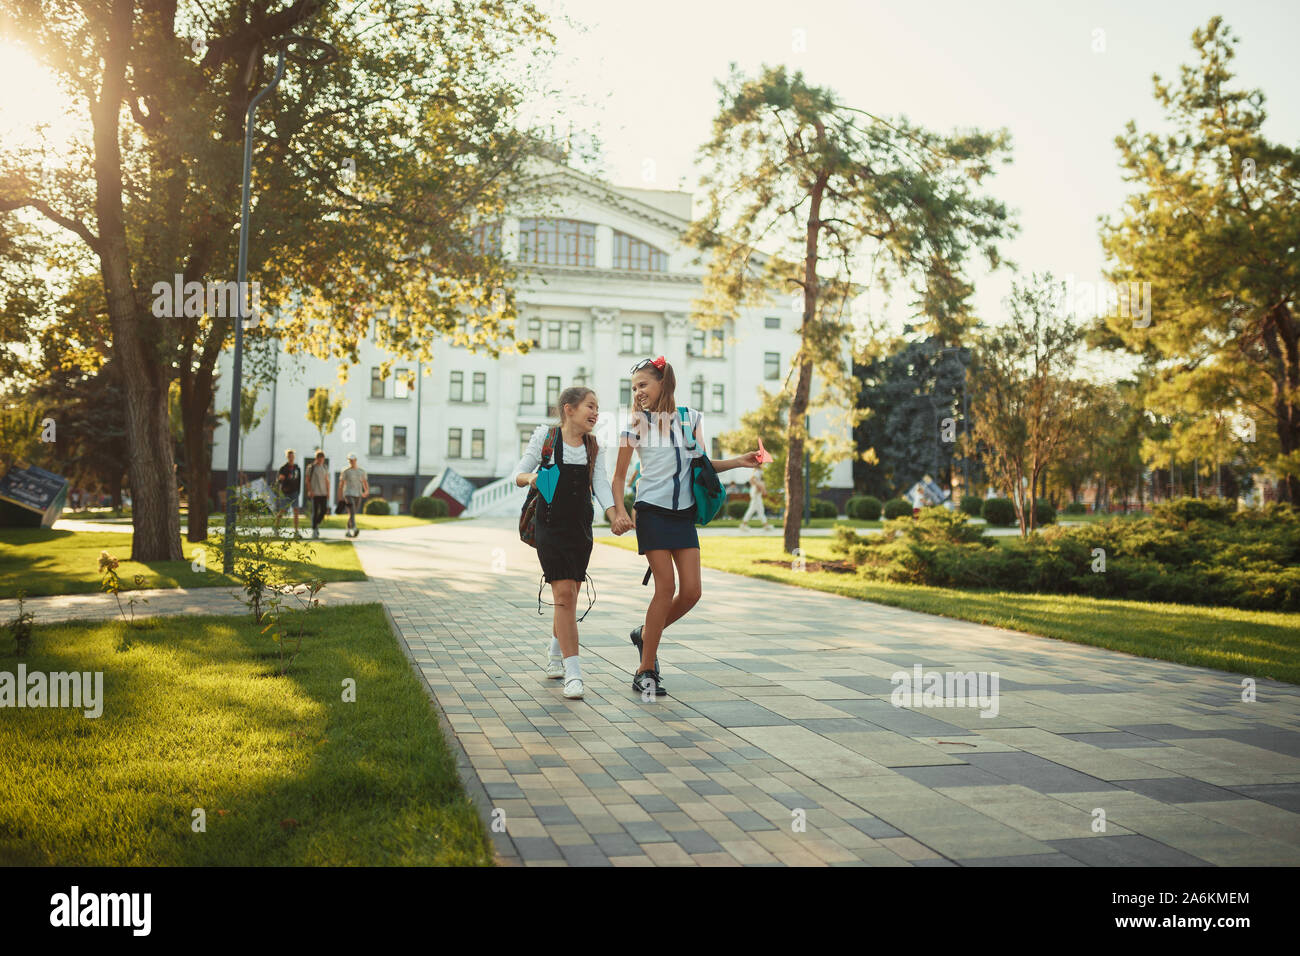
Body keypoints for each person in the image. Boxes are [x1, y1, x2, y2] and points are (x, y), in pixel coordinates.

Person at [610, 356, 760, 698]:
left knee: (691, 591)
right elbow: (618, 477)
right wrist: (619, 511)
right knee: (666, 587)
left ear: (664, 383)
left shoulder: (690, 419)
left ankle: (645, 632)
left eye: (643, 385)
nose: (638, 392)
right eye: (633, 388)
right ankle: (645, 670)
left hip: (682, 514)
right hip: (650, 511)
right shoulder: (636, 424)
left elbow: (701, 467)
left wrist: (738, 461)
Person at [514, 386, 622, 700]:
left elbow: (600, 483)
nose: (595, 413)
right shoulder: (545, 439)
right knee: (562, 593)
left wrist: (614, 515)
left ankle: (553, 652)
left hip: (580, 528)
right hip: (549, 525)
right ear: (569, 409)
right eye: (590, 406)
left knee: (570, 596)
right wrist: (534, 478)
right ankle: (573, 675)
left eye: (598, 408)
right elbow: (518, 474)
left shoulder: (593, 445)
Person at [338, 454, 369, 538]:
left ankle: (347, 530)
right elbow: (341, 484)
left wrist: (366, 491)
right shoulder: (346, 471)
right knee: (351, 511)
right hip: (348, 494)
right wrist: (340, 496)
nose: (351, 462)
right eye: (350, 460)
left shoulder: (361, 471)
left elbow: (364, 482)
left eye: (352, 460)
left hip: (358, 494)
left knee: (352, 513)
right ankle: (354, 528)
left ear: (356, 460)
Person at [274, 449, 303, 535]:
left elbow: (299, 480)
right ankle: (276, 528)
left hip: (294, 492)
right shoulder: (283, 468)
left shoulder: (297, 468)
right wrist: (281, 479)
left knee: (296, 511)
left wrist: (298, 491)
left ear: (294, 457)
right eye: (289, 456)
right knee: (282, 510)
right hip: (285, 492)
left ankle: (296, 531)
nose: (291, 458)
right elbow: (279, 480)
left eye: (292, 456)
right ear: (287, 457)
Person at [304, 450, 330, 539]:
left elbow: (327, 480)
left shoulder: (325, 467)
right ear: (316, 458)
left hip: (323, 493)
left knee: (323, 511)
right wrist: (309, 491)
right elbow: (307, 480)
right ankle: (314, 530)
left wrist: (328, 492)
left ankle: (316, 524)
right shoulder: (311, 467)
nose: (321, 461)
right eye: (319, 459)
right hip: (315, 493)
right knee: (315, 512)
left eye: (322, 459)